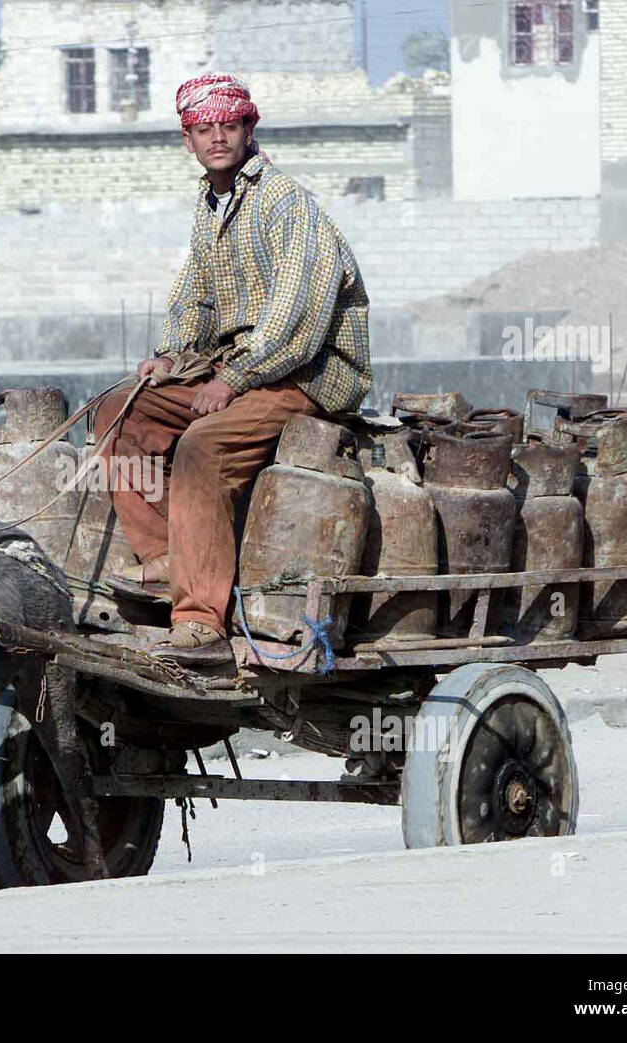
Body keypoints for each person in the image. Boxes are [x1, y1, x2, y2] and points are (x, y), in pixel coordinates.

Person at [94, 73, 372, 665]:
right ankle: (166, 554)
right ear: (187, 139)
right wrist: (171, 356)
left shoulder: (285, 203)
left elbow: (298, 314)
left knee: (203, 447)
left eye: (229, 125)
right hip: (237, 365)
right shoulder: (211, 205)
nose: (217, 137)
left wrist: (234, 379)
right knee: (120, 411)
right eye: (203, 128)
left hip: (304, 373)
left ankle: (198, 618)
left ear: (249, 129)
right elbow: (195, 295)